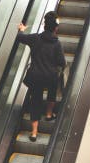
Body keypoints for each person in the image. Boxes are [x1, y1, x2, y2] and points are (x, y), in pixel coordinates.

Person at [17, 11, 66, 142]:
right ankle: (49, 114)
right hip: (50, 76)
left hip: (36, 76)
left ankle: (34, 132)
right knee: (53, 87)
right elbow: (62, 62)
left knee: (35, 101)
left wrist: (21, 30)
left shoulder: (35, 38)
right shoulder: (57, 44)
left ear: (44, 25)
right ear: (55, 28)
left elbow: (19, 37)